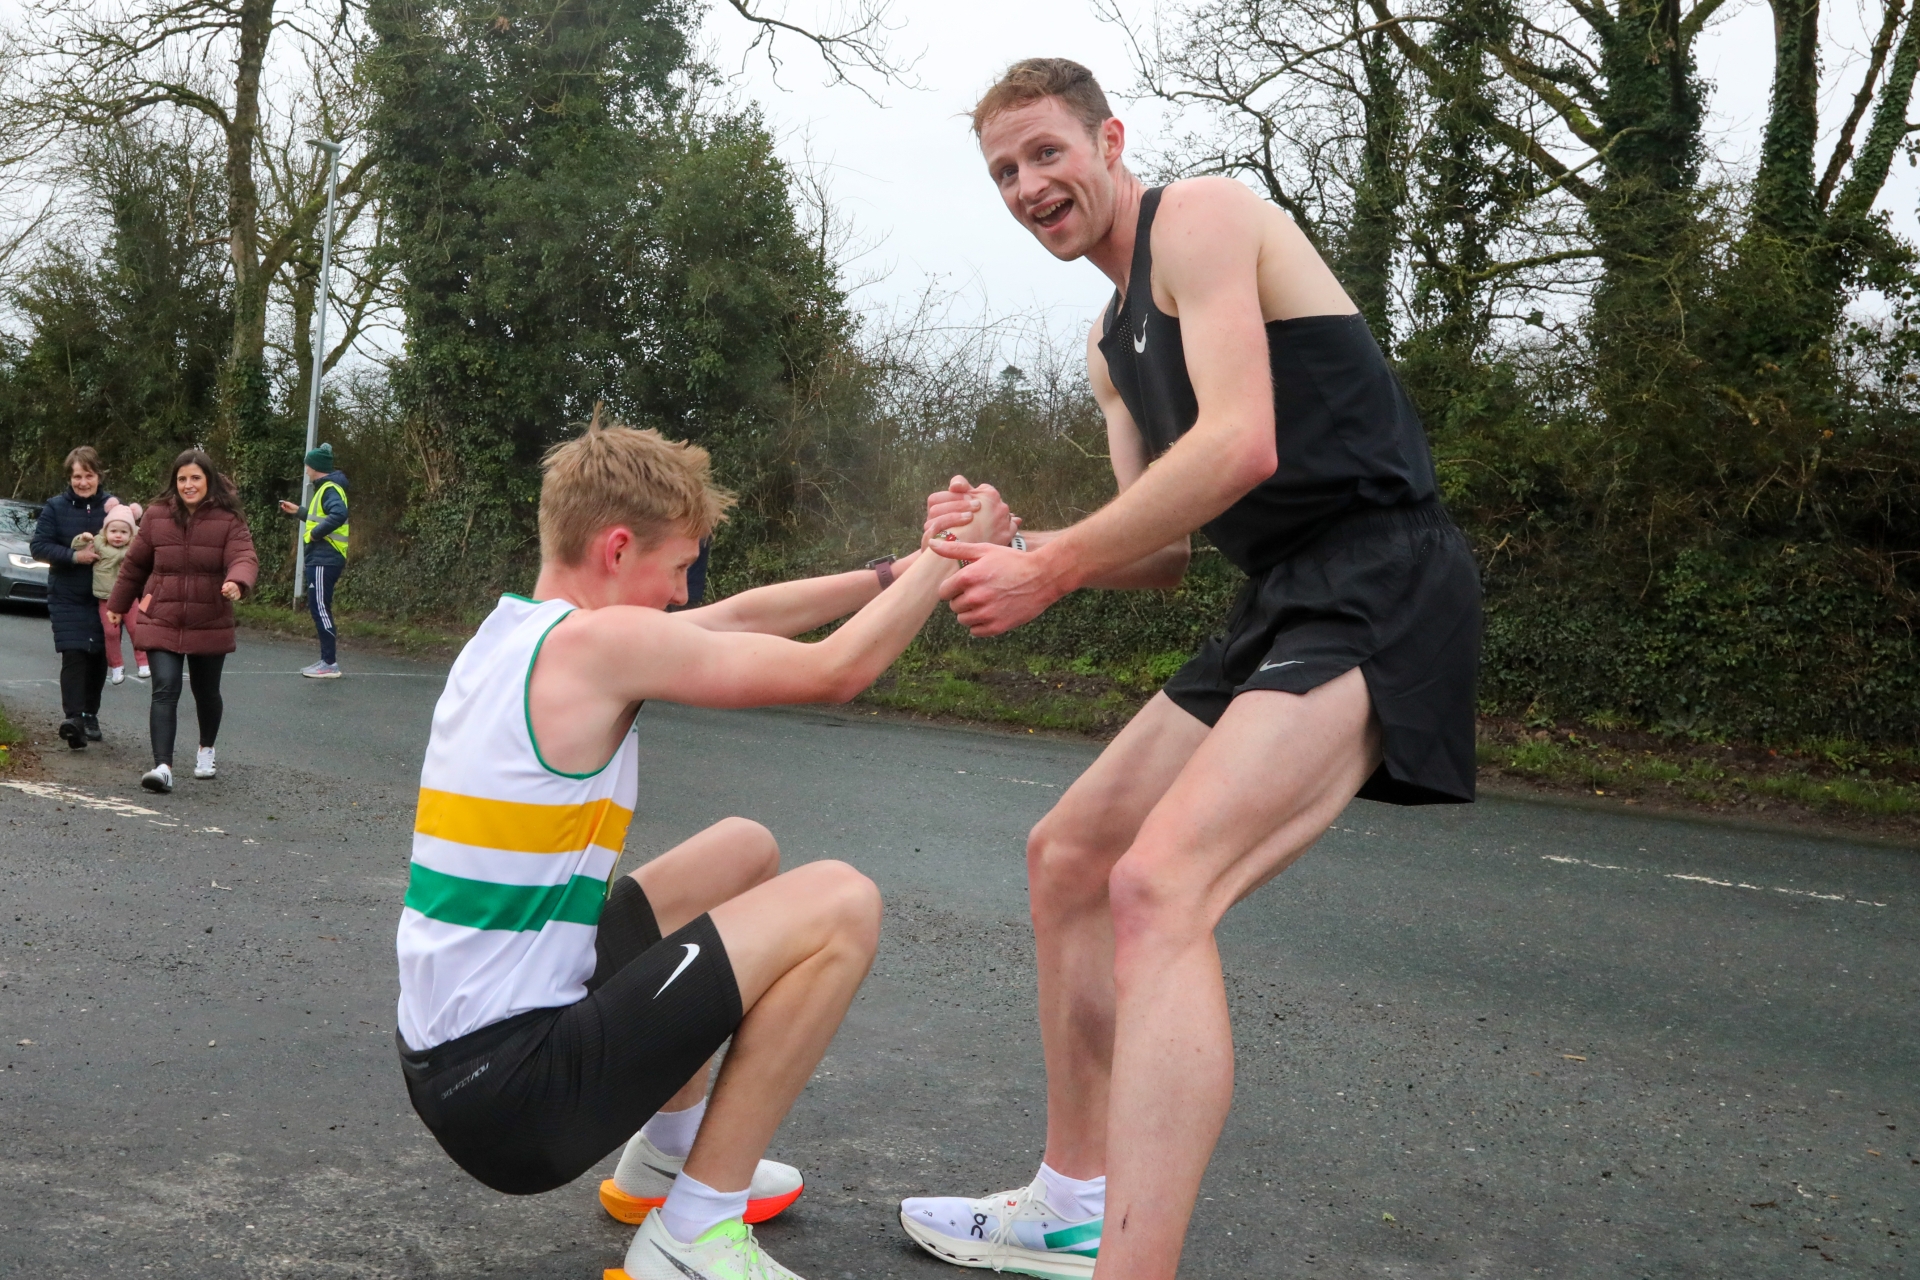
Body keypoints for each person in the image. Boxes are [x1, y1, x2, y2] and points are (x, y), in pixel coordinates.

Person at [899, 59, 1484, 1279]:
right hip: (1276, 597)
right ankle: (1071, 1202)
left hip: (1379, 570)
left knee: (1160, 886)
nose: (1028, 185)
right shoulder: (1109, 345)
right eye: (1003, 171)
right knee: (1069, 855)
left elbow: (1240, 443)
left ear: (1110, 142)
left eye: (1047, 152)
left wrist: (1050, 568)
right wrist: (1013, 542)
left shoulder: (1204, 218)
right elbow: (1162, 552)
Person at [394, 413, 994, 1280]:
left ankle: (668, 1158)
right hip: (514, 1099)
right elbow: (838, 670)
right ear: (617, 547)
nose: (681, 596)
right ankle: (694, 1236)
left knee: (740, 851)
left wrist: (897, 570)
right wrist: (951, 555)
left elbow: (738, 616)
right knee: (842, 903)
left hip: (458, 1065)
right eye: (677, 569)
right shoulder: (598, 645)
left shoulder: (518, 633)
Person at [107, 449, 259, 794]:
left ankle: (206, 749)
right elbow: (135, 564)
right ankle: (162, 767)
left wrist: (237, 581)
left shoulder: (229, 518)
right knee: (165, 687)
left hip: (209, 617)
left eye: (195, 478)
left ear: (208, 480)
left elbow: (244, 556)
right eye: (182, 479)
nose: (188, 485)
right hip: (162, 615)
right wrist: (117, 603)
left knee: (206, 691)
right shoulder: (157, 515)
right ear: (174, 482)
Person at [32, 446, 119, 749]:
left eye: (89, 476)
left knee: (97, 655)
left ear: (99, 476)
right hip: (67, 594)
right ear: (69, 478)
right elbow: (39, 546)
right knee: (74, 653)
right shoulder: (55, 507)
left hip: (105, 596)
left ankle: (90, 713)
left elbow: (133, 541)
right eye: (77, 476)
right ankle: (74, 720)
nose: (83, 482)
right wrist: (74, 556)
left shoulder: (112, 507)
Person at [278, 442, 349, 678]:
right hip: (323, 557)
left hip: (324, 557)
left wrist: (316, 534)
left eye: (307, 465)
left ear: (315, 466)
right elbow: (321, 516)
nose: (306, 469)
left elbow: (339, 514)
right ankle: (327, 661)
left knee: (320, 609)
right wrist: (299, 511)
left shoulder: (329, 488)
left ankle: (329, 663)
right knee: (319, 607)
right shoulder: (327, 488)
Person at [76, 501, 150, 685]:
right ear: (105, 531)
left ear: (131, 533)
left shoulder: (135, 546)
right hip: (106, 598)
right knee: (111, 633)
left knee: (136, 628)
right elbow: (77, 546)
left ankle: (143, 662)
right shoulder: (99, 543)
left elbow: (149, 548)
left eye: (124, 532)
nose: (118, 536)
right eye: (113, 531)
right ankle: (116, 666)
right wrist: (83, 539)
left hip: (129, 596)